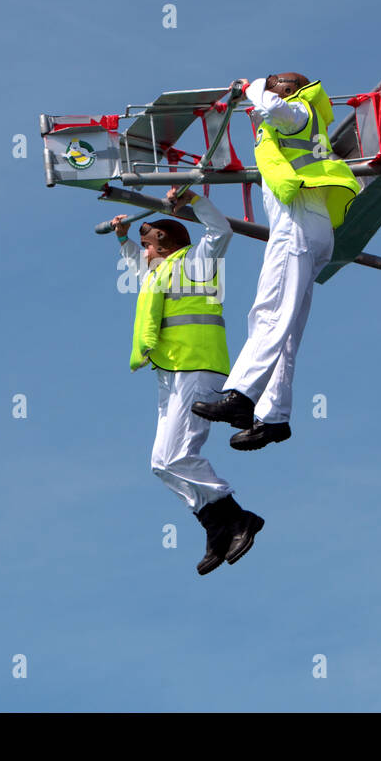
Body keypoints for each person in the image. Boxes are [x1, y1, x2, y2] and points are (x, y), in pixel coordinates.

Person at [192, 74, 360, 451]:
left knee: (269, 313)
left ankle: (240, 396)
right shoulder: (296, 121)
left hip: (297, 226)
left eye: (277, 82)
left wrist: (253, 84)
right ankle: (273, 417)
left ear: (292, 89)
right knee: (284, 328)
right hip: (310, 227)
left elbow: (272, 108)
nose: (271, 87)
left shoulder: (299, 111)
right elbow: (267, 118)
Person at [111, 187, 264, 575]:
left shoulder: (195, 263)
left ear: (162, 243)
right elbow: (139, 268)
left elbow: (220, 231)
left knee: (179, 455)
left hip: (197, 369)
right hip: (171, 374)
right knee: (162, 463)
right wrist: (123, 241)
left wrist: (194, 200)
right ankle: (215, 526)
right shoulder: (158, 273)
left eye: (147, 246)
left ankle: (237, 516)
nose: (143, 255)